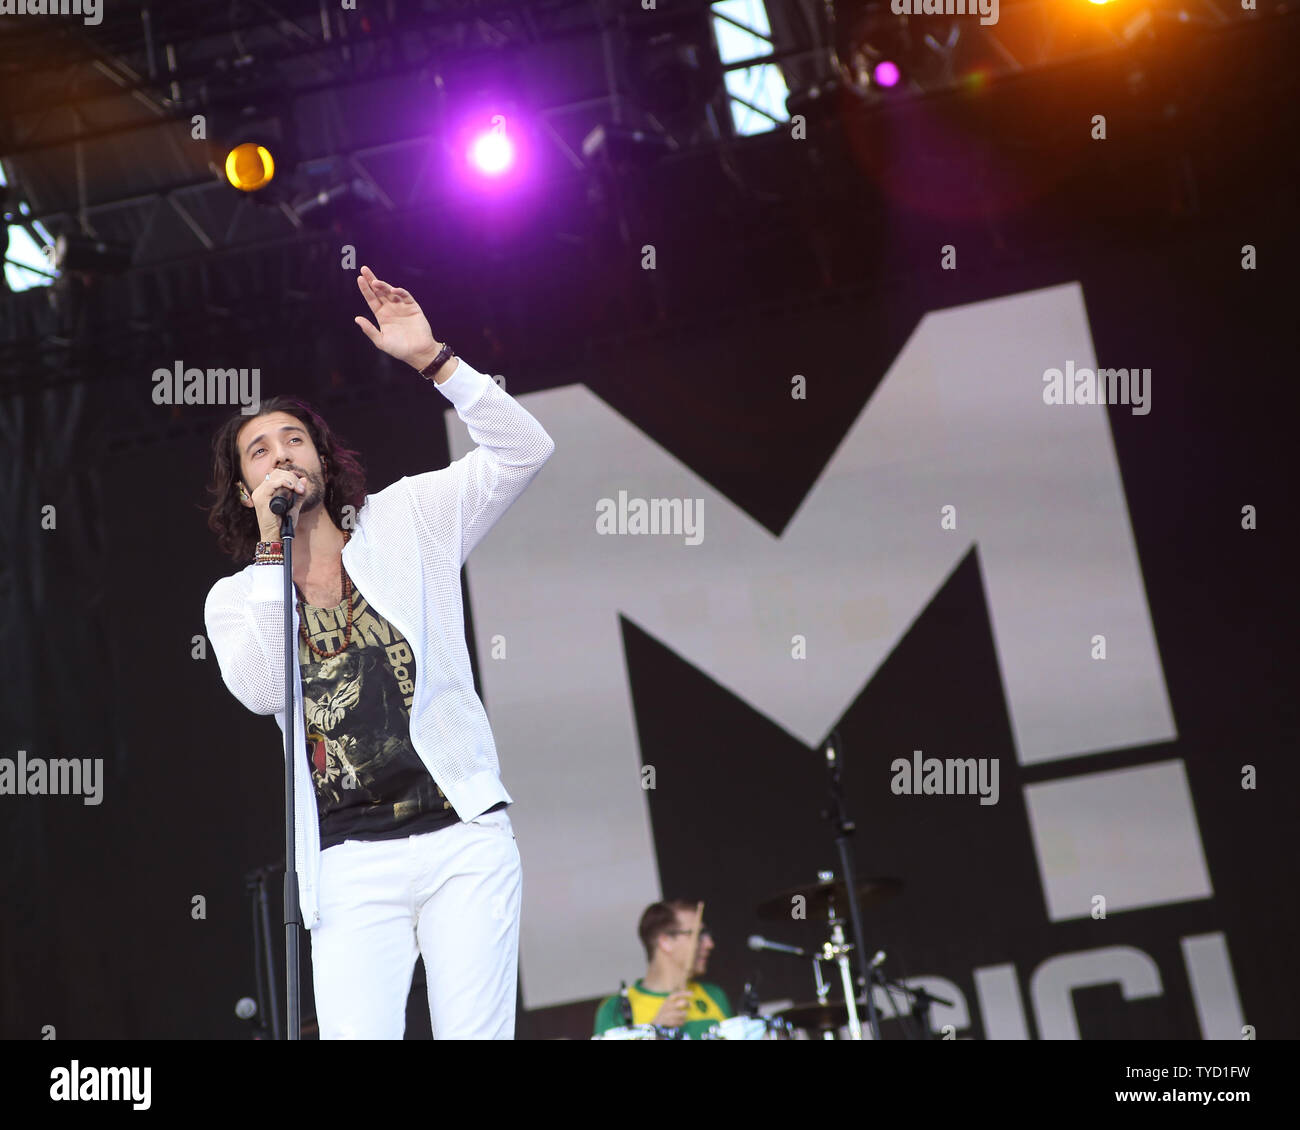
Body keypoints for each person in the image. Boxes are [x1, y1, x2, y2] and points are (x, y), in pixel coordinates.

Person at [203, 266, 554, 1039]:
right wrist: (272, 552)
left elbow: (525, 451)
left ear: (324, 461)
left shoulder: (407, 522)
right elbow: (265, 689)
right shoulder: (236, 599)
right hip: (350, 861)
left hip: (462, 836)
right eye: (259, 452)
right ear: (243, 489)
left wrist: (436, 362)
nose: (282, 454)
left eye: (296, 439)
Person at [593, 900, 732, 1038]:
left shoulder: (714, 995)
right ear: (666, 942)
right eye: (697, 935)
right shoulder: (616, 1009)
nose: (709, 944)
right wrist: (654, 1030)